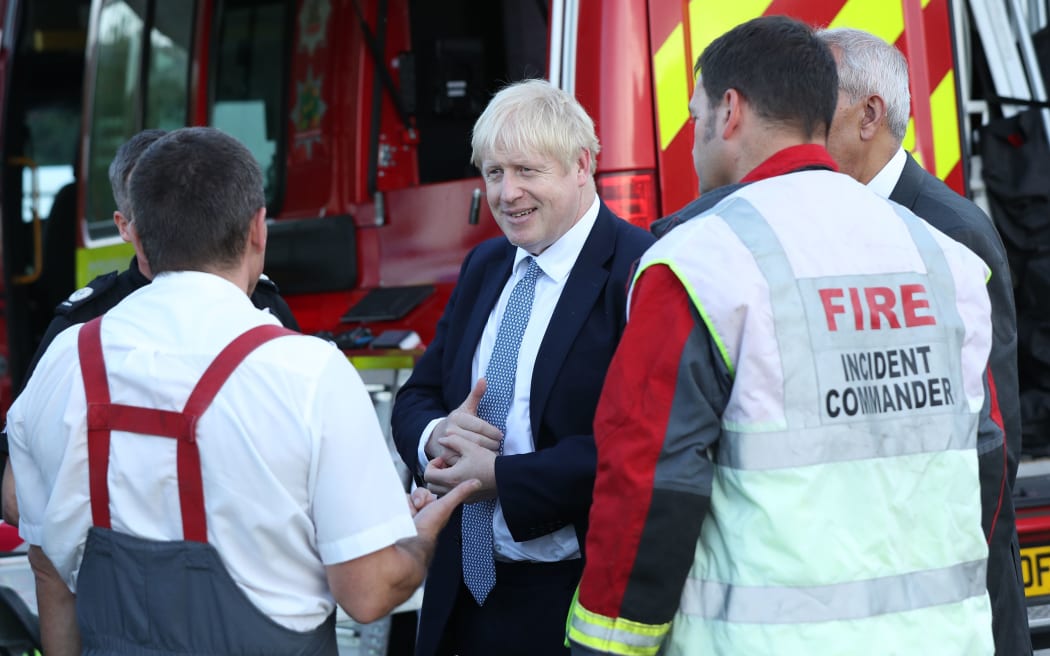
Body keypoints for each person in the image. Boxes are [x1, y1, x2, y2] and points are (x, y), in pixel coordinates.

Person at [568, 16, 996, 655]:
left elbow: (648, 479)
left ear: (730, 111)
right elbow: (986, 457)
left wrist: (606, 645)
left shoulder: (700, 261)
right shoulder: (944, 258)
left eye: (695, 116)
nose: (691, 141)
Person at [5, 126, 478, 655]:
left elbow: (40, 550)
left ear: (137, 235)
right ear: (258, 229)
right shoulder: (309, 373)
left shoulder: (66, 360)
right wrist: (421, 534)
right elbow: (369, 592)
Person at [390, 79, 654, 656]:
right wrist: (440, 436)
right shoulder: (486, 264)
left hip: (573, 602)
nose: (507, 194)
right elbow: (417, 397)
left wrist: (503, 478)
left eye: (527, 171)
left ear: (582, 165)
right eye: (492, 173)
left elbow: (641, 445)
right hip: (461, 595)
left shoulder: (639, 270)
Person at [819, 26, 1030, 655]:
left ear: (869, 116)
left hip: (950, 586)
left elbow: (995, 439)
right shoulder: (830, 216)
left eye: (814, 105)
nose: (794, 125)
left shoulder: (951, 231)